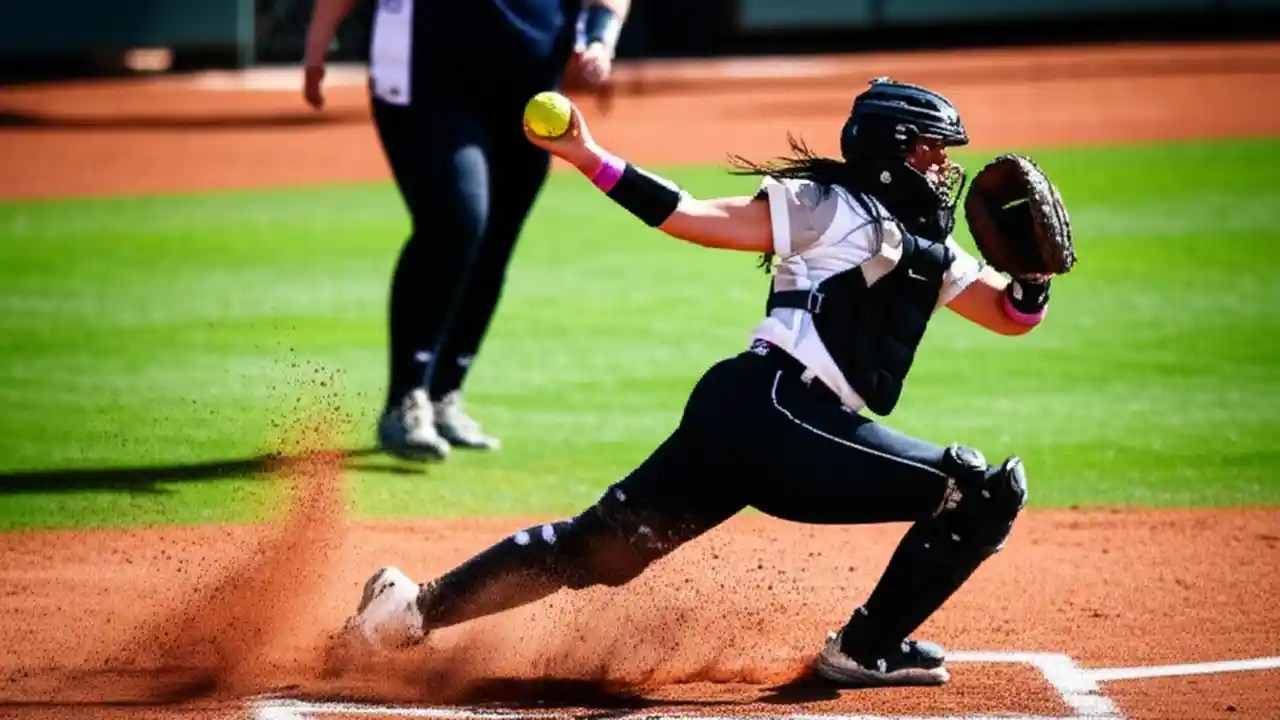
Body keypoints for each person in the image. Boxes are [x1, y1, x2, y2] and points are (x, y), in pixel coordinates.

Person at [339, 78, 1056, 688]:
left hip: (761, 423)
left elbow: (1008, 316)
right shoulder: (825, 207)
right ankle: (863, 650)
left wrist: (1032, 278)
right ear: (894, 150)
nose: (943, 168)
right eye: (933, 150)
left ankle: (409, 609)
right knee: (978, 490)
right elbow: (690, 217)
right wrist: (587, 155)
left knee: (599, 549)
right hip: (773, 408)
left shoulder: (934, 253)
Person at [303, 0, 631, 460]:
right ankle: (405, 399)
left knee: (496, 240)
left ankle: (443, 395)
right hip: (426, 80)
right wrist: (318, 43)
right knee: (456, 221)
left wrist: (600, 39)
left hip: (529, 92)